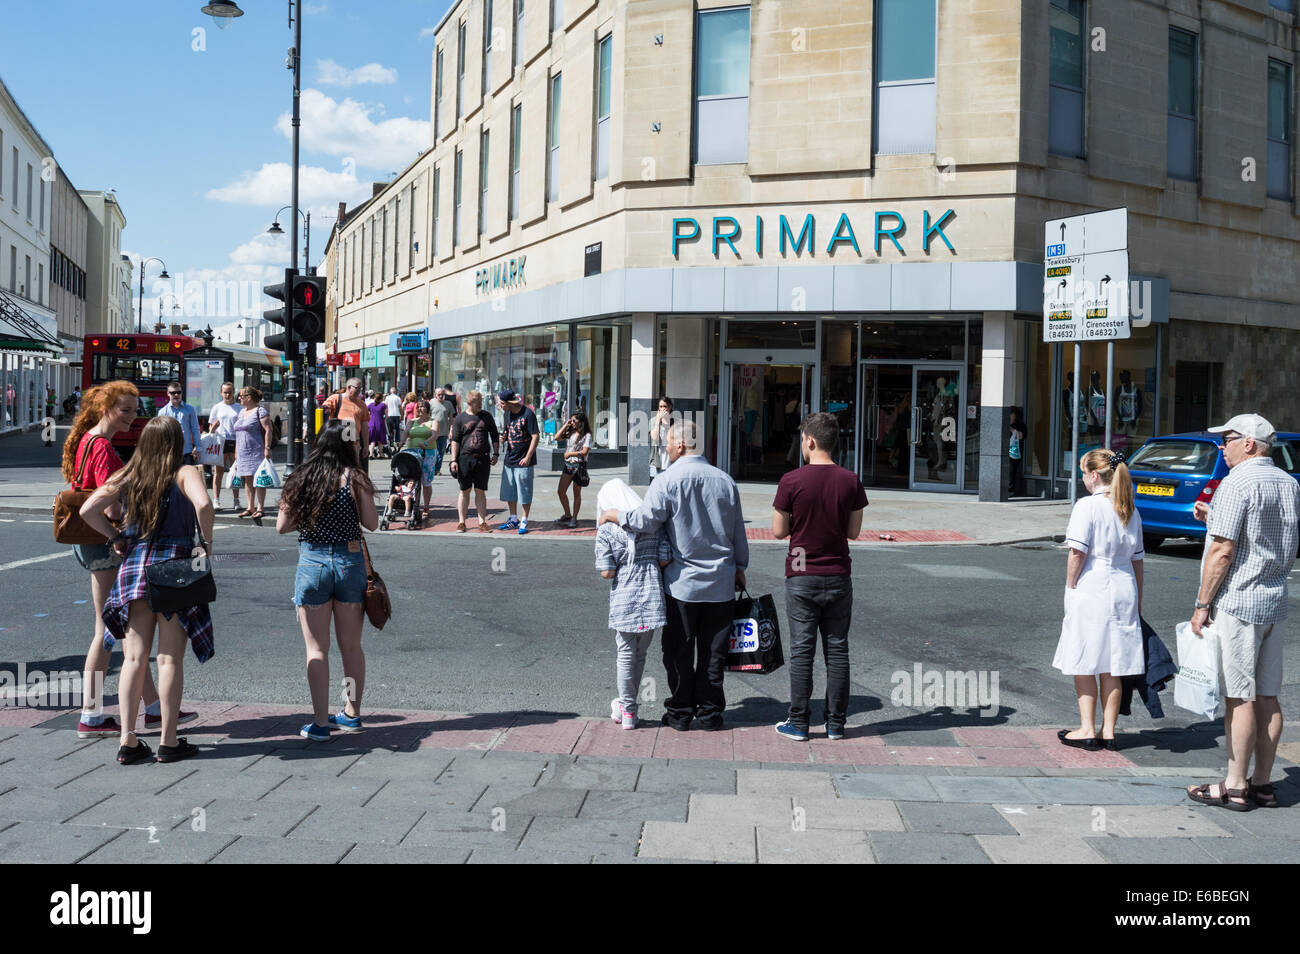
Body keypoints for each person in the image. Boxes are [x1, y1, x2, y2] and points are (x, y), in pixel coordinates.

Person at [80, 416, 214, 765]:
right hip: (175, 569)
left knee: (134, 658)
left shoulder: (129, 473)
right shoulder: (184, 472)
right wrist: (206, 544)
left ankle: (128, 740)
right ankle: (169, 741)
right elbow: (204, 505)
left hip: (136, 567)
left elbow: (87, 509)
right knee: (169, 658)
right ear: (176, 441)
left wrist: (115, 538)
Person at [599, 420, 748, 732]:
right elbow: (738, 533)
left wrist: (613, 514)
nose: (665, 447)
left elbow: (645, 521)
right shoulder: (725, 481)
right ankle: (709, 714)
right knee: (713, 654)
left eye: (667, 442)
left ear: (681, 445)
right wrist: (740, 568)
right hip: (720, 584)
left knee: (678, 652)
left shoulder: (667, 481)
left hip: (681, 586)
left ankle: (680, 712)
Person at [1186, 414, 1300, 812]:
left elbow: (1223, 551)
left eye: (1229, 439)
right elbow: (1263, 534)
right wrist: (1212, 516)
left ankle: (1234, 786)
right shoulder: (1289, 483)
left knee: (1240, 696)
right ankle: (1264, 784)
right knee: (1268, 695)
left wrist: (1202, 604)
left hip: (1239, 599)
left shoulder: (1236, 484)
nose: (1223, 446)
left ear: (1250, 443)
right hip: (1274, 599)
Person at [62, 382, 185, 739]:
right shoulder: (102, 448)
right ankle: (92, 712)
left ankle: (153, 707)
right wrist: (118, 533)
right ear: (105, 409)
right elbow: (110, 506)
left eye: (135, 410)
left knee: (127, 633)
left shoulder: (86, 439)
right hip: (104, 545)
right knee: (108, 631)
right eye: (125, 410)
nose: (133, 417)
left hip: (90, 544)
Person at [276, 420, 379, 742]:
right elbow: (372, 523)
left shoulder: (301, 478)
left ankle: (320, 722)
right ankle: (351, 713)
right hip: (349, 563)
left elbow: (282, 526)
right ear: (349, 445)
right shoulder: (355, 478)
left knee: (316, 650)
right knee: (350, 646)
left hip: (313, 563)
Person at [771, 412, 868, 741]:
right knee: (837, 649)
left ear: (810, 441)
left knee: (802, 650)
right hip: (839, 572)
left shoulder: (791, 481)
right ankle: (836, 724)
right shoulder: (851, 480)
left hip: (801, 572)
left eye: (802, 440)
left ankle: (799, 723)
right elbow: (854, 532)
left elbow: (777, 531)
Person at [1052, 448, 1144, 751]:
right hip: (1124, 585)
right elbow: (1138, 561)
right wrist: (1137, 598)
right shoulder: (1129, 508)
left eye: (1083, 472)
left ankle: (1086, 728)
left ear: (1093, 475)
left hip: (1093, 584)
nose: (1082, 478)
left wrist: (1070, 586)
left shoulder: (1087, 506)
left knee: (1085, 658)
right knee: (1113, 662)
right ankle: (1109, 730)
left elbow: (1077, 553)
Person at [595, 479, 672, 730]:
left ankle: (627, 710)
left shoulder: (606, 531)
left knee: (625, 654)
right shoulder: (653, 525)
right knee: (640, 655)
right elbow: (664, 559)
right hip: (651, 595)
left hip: (624, 597)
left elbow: (606, 572)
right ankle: (628, 707)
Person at [448, 390, 500, 533]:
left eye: (481, 401)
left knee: (480, 490)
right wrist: (453, 460)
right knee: (464, 490)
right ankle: (461, 522)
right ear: (469, 402)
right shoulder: (460, 419)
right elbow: (455, 441)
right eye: (478, 402)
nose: (481, 404)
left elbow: (495, 435)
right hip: (465, 458)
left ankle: (482, 521)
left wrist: (495, 453)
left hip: (482, 458)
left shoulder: (486, 416)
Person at [497, 390, 540, 534]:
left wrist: (528, 457)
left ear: (510, 403)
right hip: (510, 459)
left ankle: (524, 520)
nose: (500, 405)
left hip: (523, 461)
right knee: (510, 492)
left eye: (502, 403)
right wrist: (503, 438)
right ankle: (513, 518)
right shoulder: (507, 414)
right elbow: (507, 431)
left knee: (525, 492)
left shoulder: (528, 414)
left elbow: (535, 436)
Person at [233, 386, 273, 520]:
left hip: (256, 450)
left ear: (249, 398)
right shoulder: (241, 412)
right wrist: (236, 453)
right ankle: (250, 507)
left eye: (241, 396)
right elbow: (238, 434)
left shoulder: (260, 411)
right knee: (248, 479)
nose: (239, 398)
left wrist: (267, 448)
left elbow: (268, 430)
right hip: (242, 452)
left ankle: (260, 508)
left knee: (259, 479)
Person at [321, 378, 372, 473]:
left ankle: (352, 486)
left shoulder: (362, 404)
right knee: (337, 467)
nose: (359, 391)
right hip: (337, 441)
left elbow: (365, 426)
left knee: (353, 469)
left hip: (354, 443)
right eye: (357, 388)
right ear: (349, 387)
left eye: (361, 388)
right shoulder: (335, 398)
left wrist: (365, 445)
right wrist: (326, 409)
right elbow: (324, 410)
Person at [207, 381, 242, 514]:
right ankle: (216, 500)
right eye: (225, 392)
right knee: (218, 472)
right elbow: (211, 427)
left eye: (230, 392)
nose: (227, 395)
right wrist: (214, 428)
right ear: (221, 393)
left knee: (235, 472)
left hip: (235, 441)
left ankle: (236, 500)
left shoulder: (239, 408)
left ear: (234, 392)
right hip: (220, 441)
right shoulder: (217, 407)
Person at [554, 411, 592, 529]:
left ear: (581, 422)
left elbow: (585, 451)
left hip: (579, 466)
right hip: (568, 466)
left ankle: (574, 518)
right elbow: (556, 437)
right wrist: (566, 425)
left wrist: (570, 453)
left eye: (574, 421)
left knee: (576, 493)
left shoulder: (587, 435)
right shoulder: (570, 432)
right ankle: (567, 514)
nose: (572, 423)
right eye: (571, 420)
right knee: (561, 491)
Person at [403, 400, 437, 511]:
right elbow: (405, 432)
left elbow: (435, 434)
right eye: (418, 407)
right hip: (412, 452)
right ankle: (414, 505)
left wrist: (426, 443)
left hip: (428, 452)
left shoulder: (433, 421)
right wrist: (401, 441)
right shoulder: (412, 421)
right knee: (413, 479)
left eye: (422, 407)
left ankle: (426, 506)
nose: (420, 409)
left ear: (427, 409)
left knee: (426, 480)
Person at [157, 381, 202, 465]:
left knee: (187, 476)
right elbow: (161, 434)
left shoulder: (190, 409)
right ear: (168, 394)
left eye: (179, 392)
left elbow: (195, 429)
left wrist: (198, 446)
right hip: (170, 452)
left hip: (187, 452)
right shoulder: (162, 412)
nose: (176, 395)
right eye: (173, 393)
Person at [429, 387, 451, 475]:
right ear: (435, 395)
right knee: (434, 451)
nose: (441, 396)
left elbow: (451, 418)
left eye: (443, 394)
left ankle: (437, 469)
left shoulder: (448, 404)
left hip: (444, 431)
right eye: (439, 395)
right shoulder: (431, 403)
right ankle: (432, 468)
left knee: (441, 451)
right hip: (433, 431)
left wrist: (451, 430)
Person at [649, 397, 673, 476]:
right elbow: (654, 438)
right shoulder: (653, 420)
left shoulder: (674, 421)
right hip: (657, 461)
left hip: (671, 461)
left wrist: (667, 422)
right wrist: (658, 421)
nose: (662, 409)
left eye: (665, 406)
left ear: (669, 407)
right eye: (660, 406)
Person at [1008, 406, 1027, 498]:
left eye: (1011, 414)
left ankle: (1011, 489)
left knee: (1012, 471)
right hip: (1006, 451)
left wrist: (1012, 430)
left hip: (1015, 452)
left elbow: (1021, 436)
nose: (1010, 416)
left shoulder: (1021, 426)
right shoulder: (1004, 424)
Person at [366, 391, 387, 458]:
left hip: (371, 423)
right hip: (380, 423)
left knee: (372, 440)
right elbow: (387, 415)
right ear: (381, 398)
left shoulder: (370, 405)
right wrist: (384, 420)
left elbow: (366, 413)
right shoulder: (383, 405)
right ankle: (381, 454)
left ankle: (371, 454)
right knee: (380, 440)